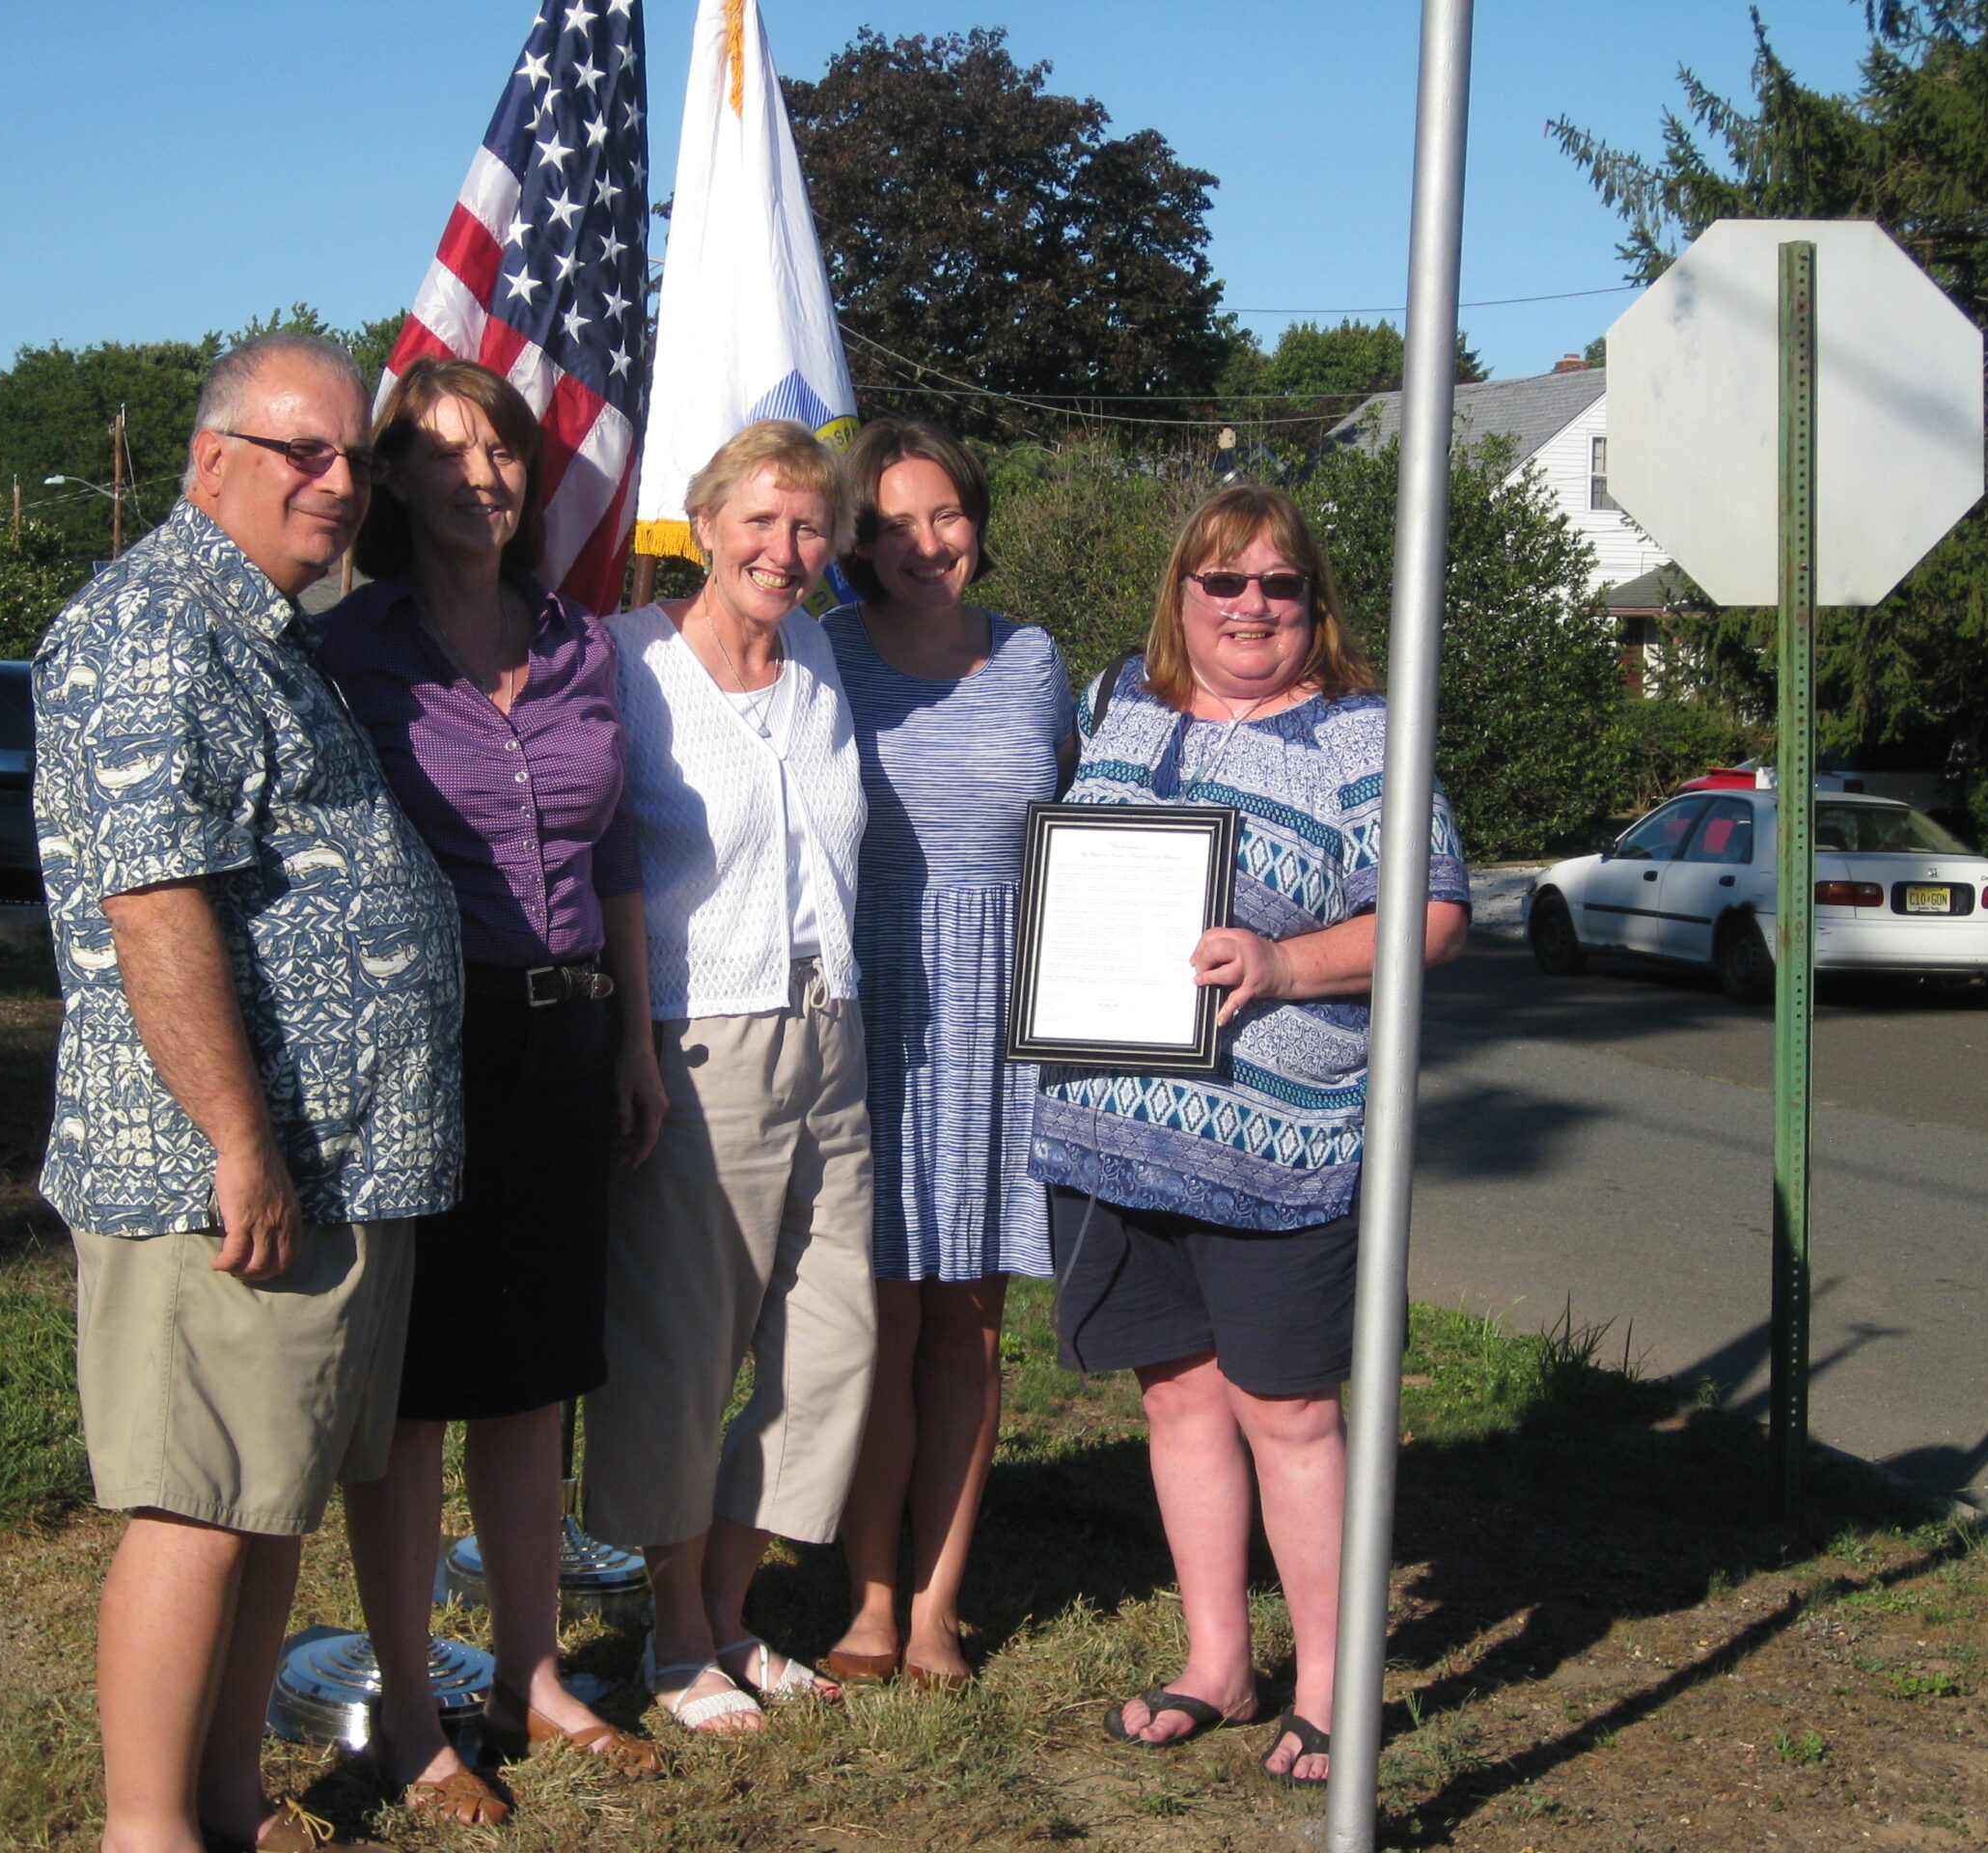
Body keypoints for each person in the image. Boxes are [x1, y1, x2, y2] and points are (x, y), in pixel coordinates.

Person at [32, 330, 462, 1853]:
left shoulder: (267, 629)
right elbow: (157, 910)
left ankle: (225, 1804)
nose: (341, 483)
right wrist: (240, 1142)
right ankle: (147, 1833)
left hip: (327, 1160)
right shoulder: (162, 629)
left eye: (353, 455)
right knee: (197, 1514)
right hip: (219, 1174)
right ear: (212, 456)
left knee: (265, 1500)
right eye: (306, 451)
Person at [1030, 485, 1470, 1787]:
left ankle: (1334, 1688)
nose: (1251, 607)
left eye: (1278, 584)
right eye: (1224, 583)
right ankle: (1217, 1660)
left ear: (1313, 600)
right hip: (1117, 1134)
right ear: (1181, 595)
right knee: (1176, 1399)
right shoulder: (1122, 709)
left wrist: (1282, 967)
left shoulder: (1364, 735)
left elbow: (1437, 919)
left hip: (1282, 1145)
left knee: (1286, 1413)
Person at [315, 358, 666, 1822]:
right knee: (408, 1397)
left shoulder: (585, 646)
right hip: (421, 1051)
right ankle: (411, 1716)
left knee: (533, 1386)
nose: (484, 476)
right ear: (392, 480)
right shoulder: (350, 653)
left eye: (504, 451)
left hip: (568, 1042)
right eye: (446, 452)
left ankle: (533, 1674)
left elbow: (618, 855)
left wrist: (635, 1043)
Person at [580, 419, 877, 1735]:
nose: (785, 550)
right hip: (708, 1040)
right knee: (684, 1355)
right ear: (700, 527)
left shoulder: (817, 654)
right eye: (759, 522)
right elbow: (612, 865)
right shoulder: (633, 663)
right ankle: (678, 1633)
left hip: (837, 1031)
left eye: (810, 526)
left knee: (831, 1350)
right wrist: (631, 1040)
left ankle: (732, 1602)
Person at [818, 420, 1074, 1691]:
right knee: (875, 1316)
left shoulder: (1035, 661)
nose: (928, 545)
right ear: (856, 541)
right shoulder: (822, 656)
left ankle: (937, 1606)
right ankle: (866, 1598)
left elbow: (1091, 832)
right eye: (896, 524)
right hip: (866, 1008)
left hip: (998, 1017)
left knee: (968, 1322)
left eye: (948, 516)